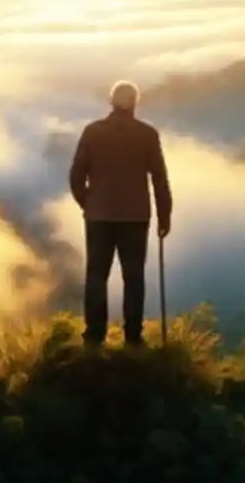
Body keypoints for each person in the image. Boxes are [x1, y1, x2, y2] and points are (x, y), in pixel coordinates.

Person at [68, 80, 172, 347]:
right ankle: (133, 336)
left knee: (96, 276)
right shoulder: (147, 135)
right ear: (136, 103)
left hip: (99, 216)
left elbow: (76, 175)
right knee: (134, 277)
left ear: (111, 101)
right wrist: (164, 216)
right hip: (135, 217)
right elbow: (159, 178)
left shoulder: (93, 132)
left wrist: (88, 203)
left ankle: (94, 335)